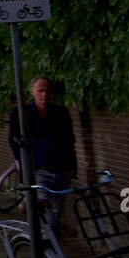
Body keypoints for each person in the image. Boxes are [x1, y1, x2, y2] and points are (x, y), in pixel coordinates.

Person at [8, 76, 76, 235]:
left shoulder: (61, 112)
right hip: (38, 171)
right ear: (32, 92)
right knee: (46, 215)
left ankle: (49, 247)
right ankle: (47, 249)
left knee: (57, 213)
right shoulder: (21, 113)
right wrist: (25, 165)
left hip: (61, 171)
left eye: (47, 91)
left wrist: (71, 168)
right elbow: (14, 141)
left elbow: (69, 140)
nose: (44, 95)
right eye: (40, 91)